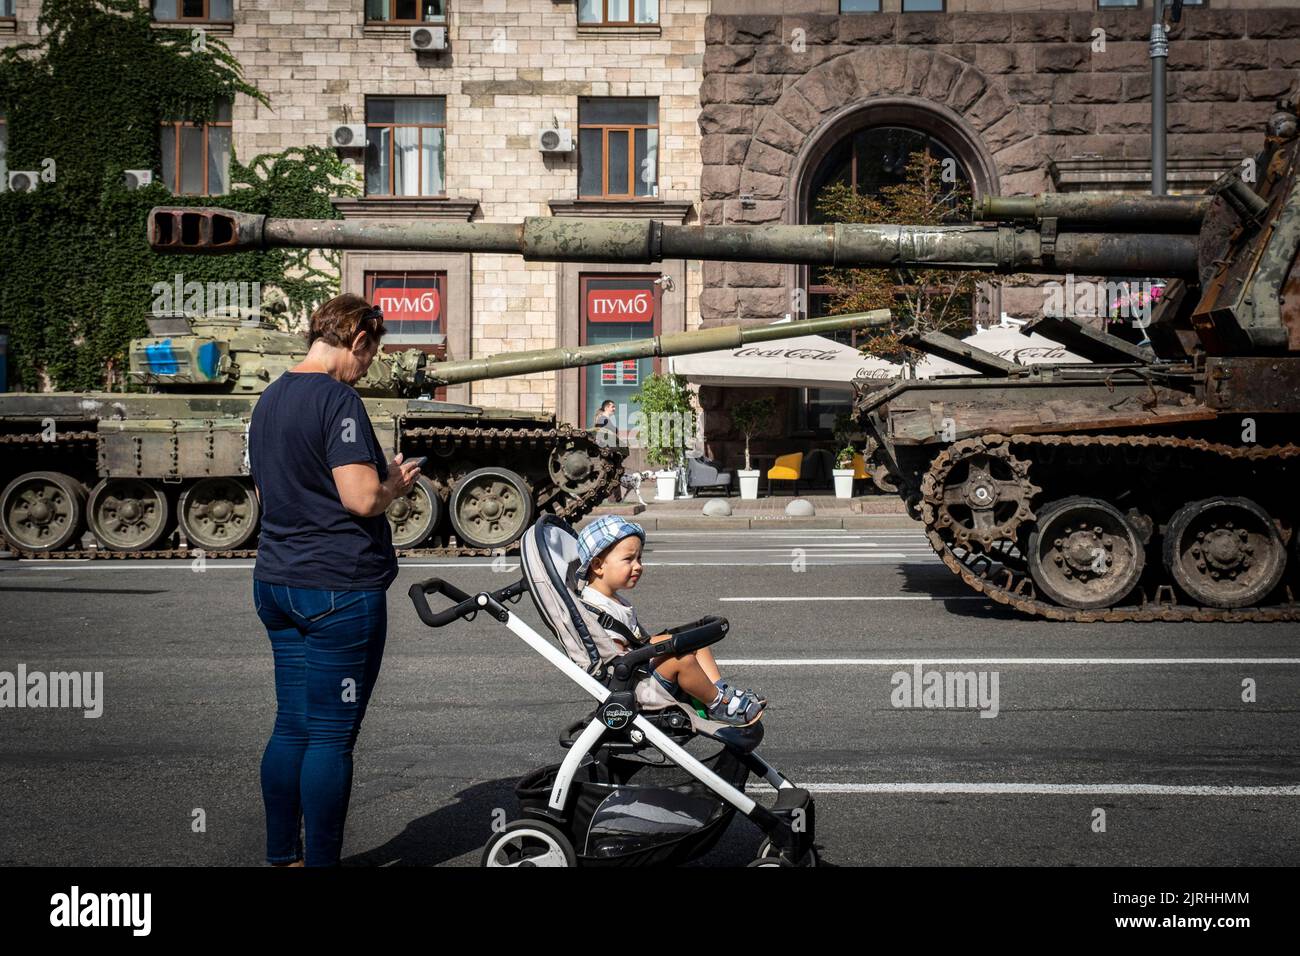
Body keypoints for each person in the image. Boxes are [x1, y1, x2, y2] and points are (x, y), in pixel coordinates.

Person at [248, 293, 421, 867]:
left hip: (277, 581)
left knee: (291, 727)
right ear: (356, 340)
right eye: (371, 351)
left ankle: (282, 856)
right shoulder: (338, 399)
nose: (370, 364)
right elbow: (361, 497)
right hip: (338, 588)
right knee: (330, 737)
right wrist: (394, 482)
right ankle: (322, 862)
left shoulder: (269, 399)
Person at [576, 516, 766, 726]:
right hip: (634, 688)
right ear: (598, 565)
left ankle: (719, 692)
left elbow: (637, 643)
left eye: (639, 558)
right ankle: (719, 704)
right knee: (681, 659)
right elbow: (616, 660)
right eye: (629, 559)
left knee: (693, 642)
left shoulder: (612, 600)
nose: (638, 566)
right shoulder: (597, 610)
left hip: (640, 671)